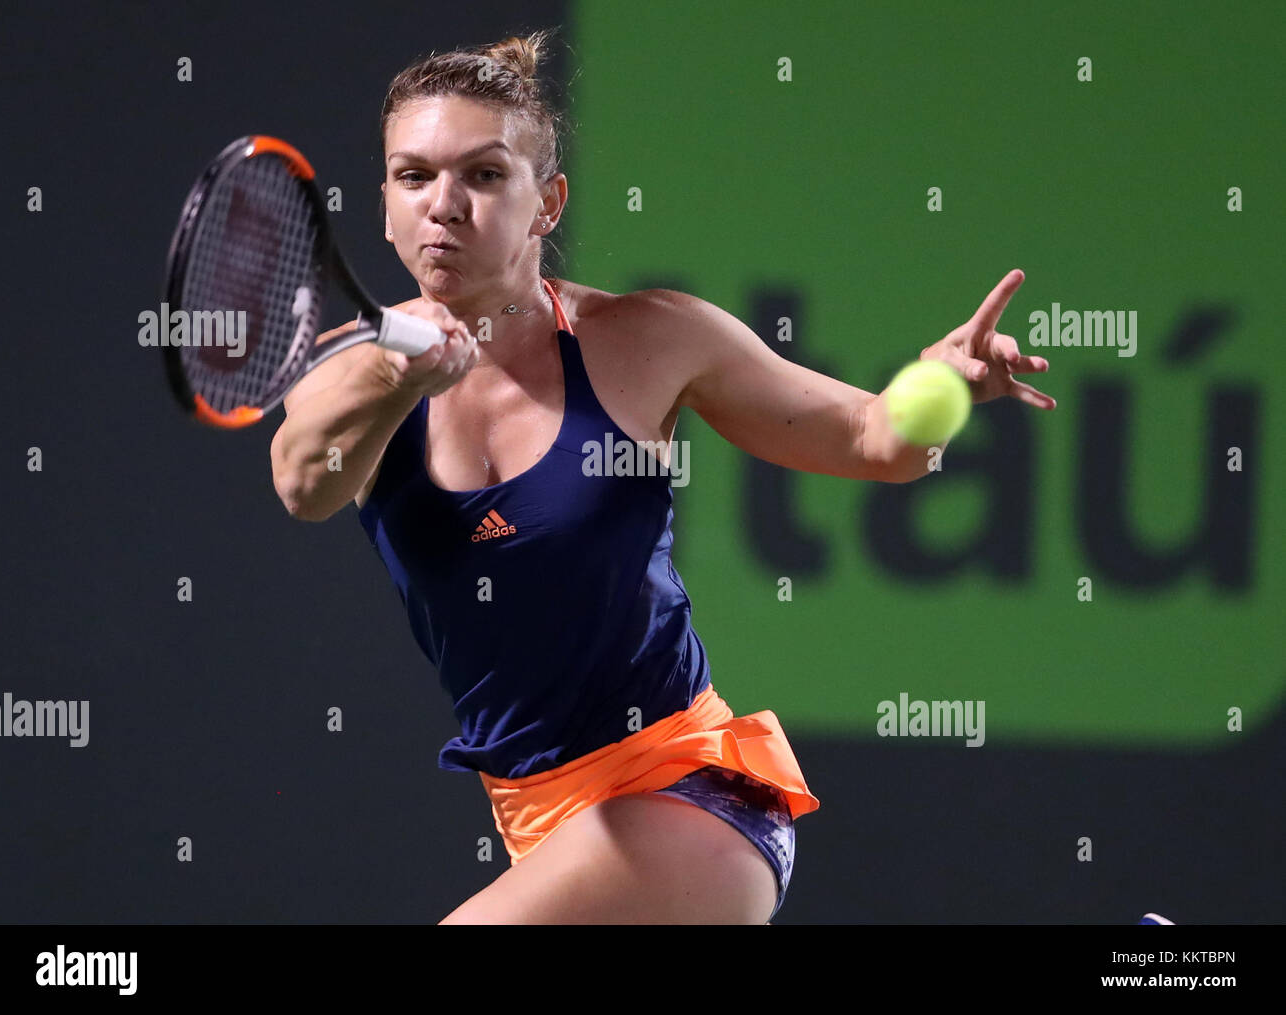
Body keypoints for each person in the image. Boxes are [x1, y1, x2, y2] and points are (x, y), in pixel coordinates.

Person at [268, 30, 1055, 924]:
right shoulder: (355, 372)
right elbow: (305, 484)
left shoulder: (650, 337)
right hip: (544, 828)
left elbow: (876, 438)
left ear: (547, 203)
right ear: (382, 203)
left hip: (692, 796)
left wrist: (942, 386)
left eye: (484, 175)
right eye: (414, 176)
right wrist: (400, 375)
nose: (444, 204)